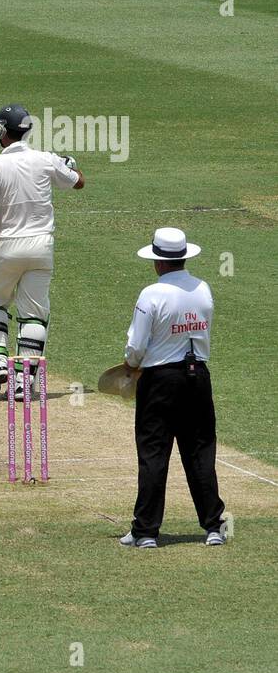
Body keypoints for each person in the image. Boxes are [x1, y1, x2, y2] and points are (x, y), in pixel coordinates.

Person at [0, 104, 84, 399]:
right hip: (42, 248)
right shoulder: (45, 160)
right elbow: (79, 182)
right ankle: (22, 382)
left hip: (6, 248)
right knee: (34, 315)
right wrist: (67, 164)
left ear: (4, 131)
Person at [119, 228, 226, 549]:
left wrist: (130, 364)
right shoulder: (203, 289)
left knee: (154, 452)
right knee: (200, 451)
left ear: (158, 263)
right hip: (198, 379)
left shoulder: (151, 294)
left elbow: (135, 347)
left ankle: (146, 531)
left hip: (159, 381)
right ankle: (213, 527)